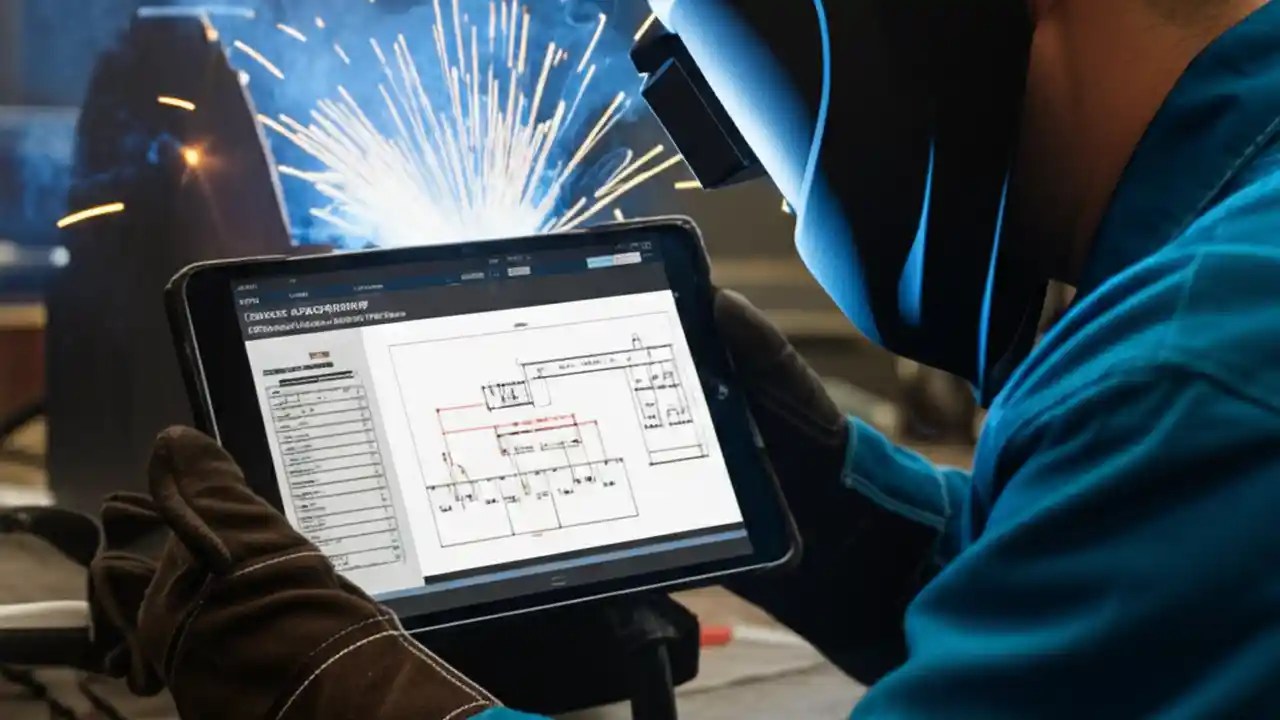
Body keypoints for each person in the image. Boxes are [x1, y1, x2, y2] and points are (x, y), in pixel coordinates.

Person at [90, 0, 1280, 717]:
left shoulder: (1186, 374)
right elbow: (1148, 631)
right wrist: (847, 525)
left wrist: (337, 685)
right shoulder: (1223, 270)